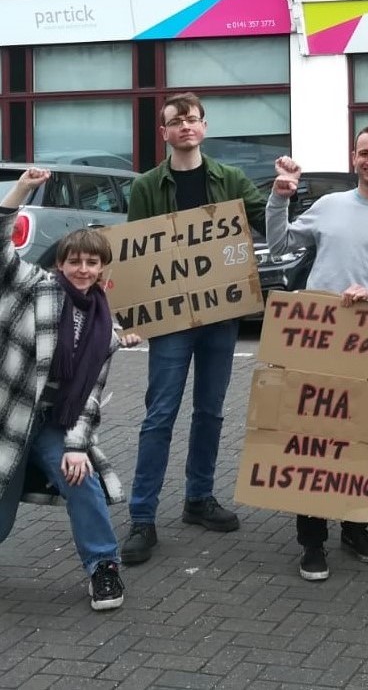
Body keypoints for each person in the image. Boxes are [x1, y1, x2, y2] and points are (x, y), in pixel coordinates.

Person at [267, 124, 368, 581]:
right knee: (311, 438)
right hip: (317, 338)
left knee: (360, 438)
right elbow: (281, 245)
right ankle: (312, 541)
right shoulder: (328, 206)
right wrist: (279, 198)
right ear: (354, 158)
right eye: (364, 153)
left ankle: (356, 529)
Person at [121, 92, 267, 566]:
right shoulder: (146, 186)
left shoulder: (230, 179)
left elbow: (263, 219)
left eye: (192, 119)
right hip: (170, 319)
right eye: (175, 121)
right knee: (159, 413)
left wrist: (284, 192)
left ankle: (198, 499)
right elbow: (137, 253)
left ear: (204, 127)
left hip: (221, 313)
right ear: (164, 133)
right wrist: (134, 314)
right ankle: (142, 517)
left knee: (210, 411)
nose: (185, 126)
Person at [0, 167, 141, 610]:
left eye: (92, 263)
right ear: (60, 263)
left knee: (82, 481)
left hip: (56, 421)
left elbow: (90, 395)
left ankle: (104, 568)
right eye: (74, 261)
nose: (83, 269)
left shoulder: (105, 325)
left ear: (102, 270)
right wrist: (23, 189)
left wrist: (76, 446)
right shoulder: (35, 287)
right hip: (10, 412)